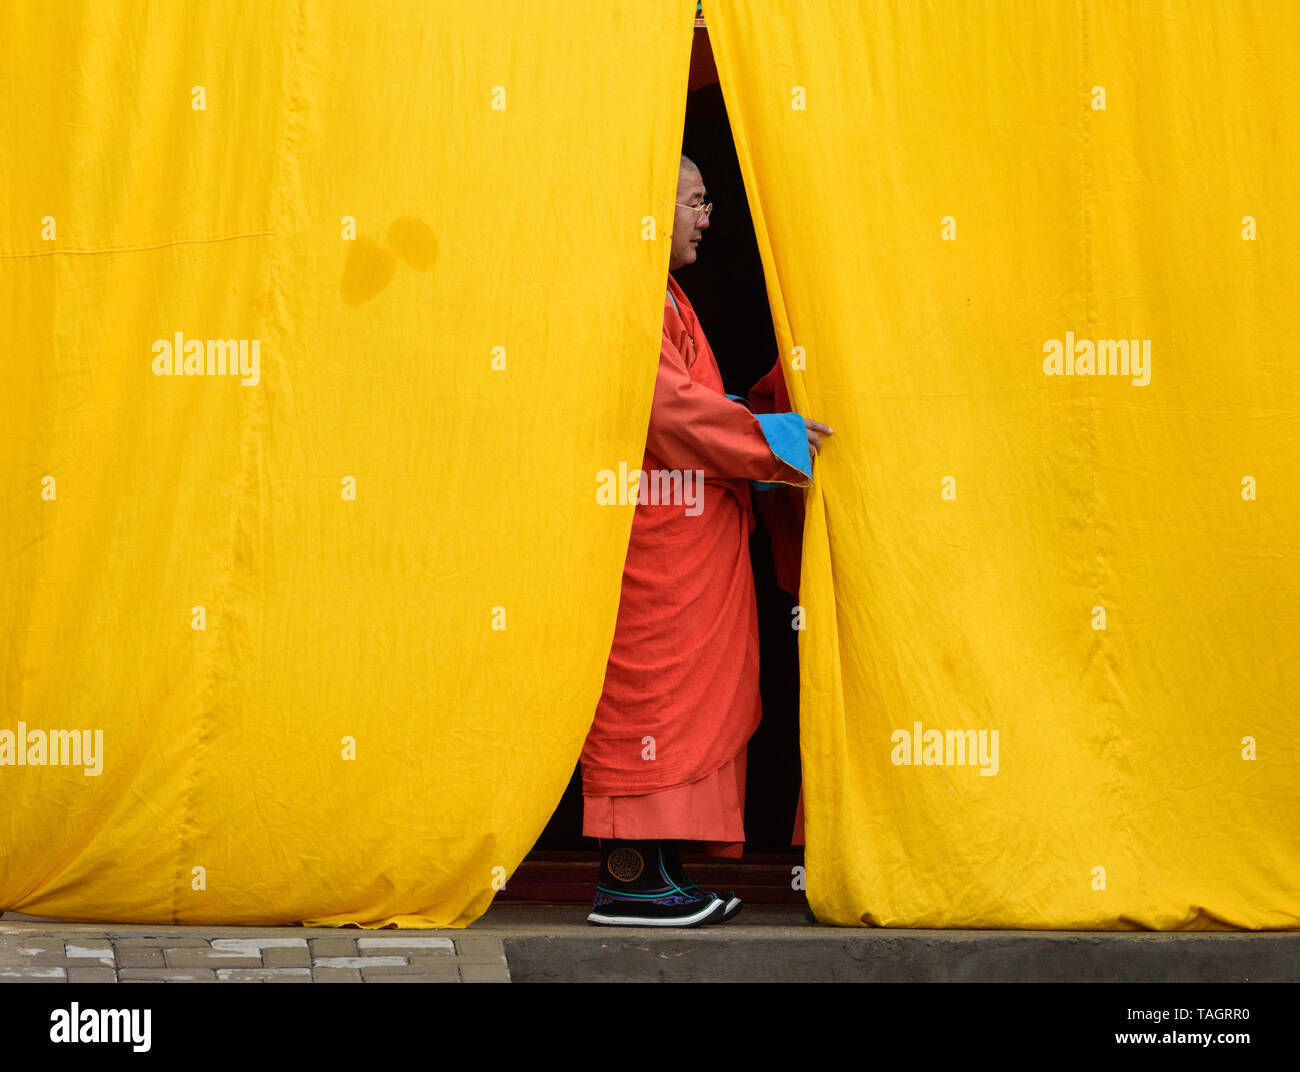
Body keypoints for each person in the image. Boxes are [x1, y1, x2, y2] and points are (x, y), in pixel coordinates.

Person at [581, 154, 832, 927]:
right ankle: (627, 880)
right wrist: (775, 440)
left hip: (692, 541)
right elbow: (669, 415)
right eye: (694, 201)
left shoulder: (671, 299)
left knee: (696, 700)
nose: (706, 215)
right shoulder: (632, 303)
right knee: (653, 696)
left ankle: (661, 873)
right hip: (658, 544)